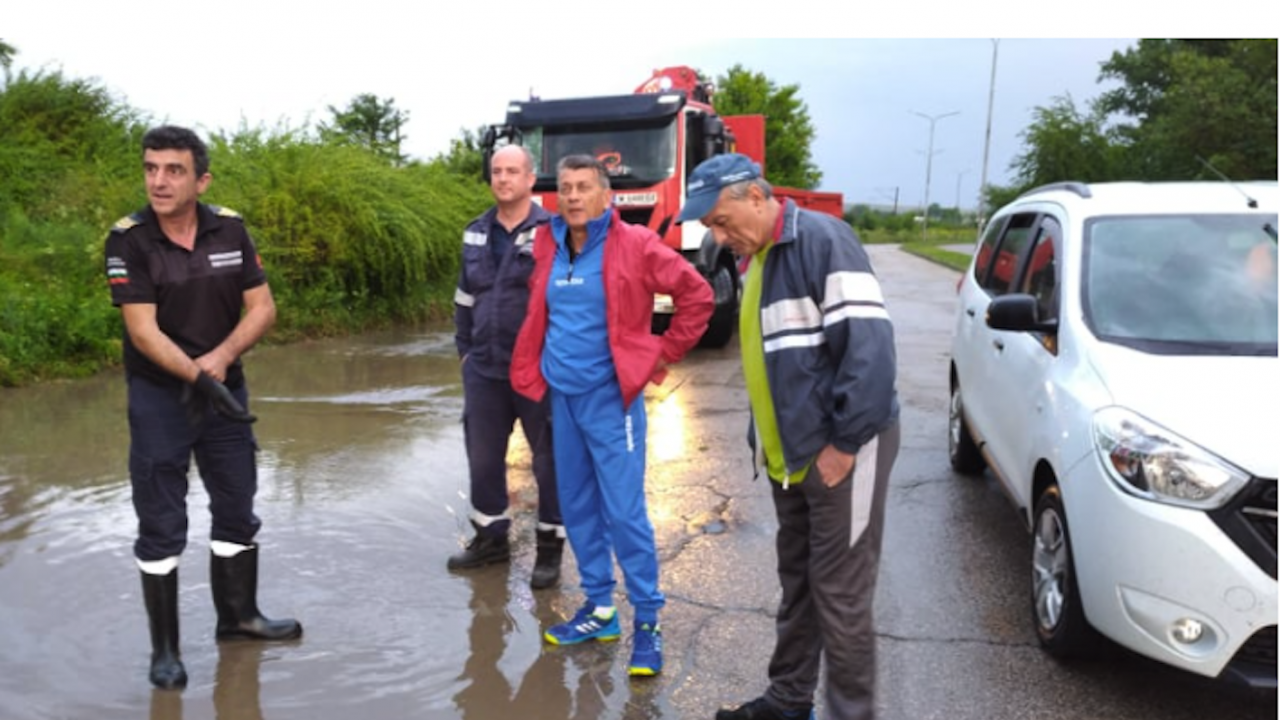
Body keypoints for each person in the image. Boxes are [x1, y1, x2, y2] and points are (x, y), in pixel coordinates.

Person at [679, 154, 901, 720]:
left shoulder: (823, 241)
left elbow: (870, 353)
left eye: (722, 220)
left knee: (841, 596)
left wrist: (845, 445)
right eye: (709, 227)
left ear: (757, 195)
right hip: (792, 459)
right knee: (799, 584)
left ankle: (853, 714)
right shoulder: (758, 260)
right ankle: (788, 700)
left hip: (841, 451)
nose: (718, 235)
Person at [104, 125, 301, 691]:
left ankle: (238, 619)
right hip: (160, 398)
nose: (159, 181)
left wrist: (219, 360)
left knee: (237, 505)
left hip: (224, 390)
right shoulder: (129, 241)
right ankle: (164, 651)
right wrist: (197, 376)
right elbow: (142, 331)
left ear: (201, 178)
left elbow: (262, 308)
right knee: (162, 521)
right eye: (150, 168)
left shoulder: (231, 229)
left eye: (173, 170)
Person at [510, 154, 713, 677]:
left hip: (611, 400)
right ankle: (600, 609)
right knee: (576, 506)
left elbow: (696, 295)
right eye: (567, 188)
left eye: (584, 187)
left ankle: (647, 620)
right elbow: (540, 311)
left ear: (607, 197)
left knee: (624, 512)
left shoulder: (636, 244)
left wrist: (659, 354)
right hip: (564, 396)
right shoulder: (549, 244)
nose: (573, 196)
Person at [448, 144, 564, 589]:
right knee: (482, 461)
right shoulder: (475, 232)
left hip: (538, 370)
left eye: (512, 171)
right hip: (485, 368)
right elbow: (464, 298)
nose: (503, 179)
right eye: (497, 171)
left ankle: (549, 549)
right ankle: (491, 541)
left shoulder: (553, 232)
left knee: (550, 462)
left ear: (531, 179)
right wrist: (465, 353)